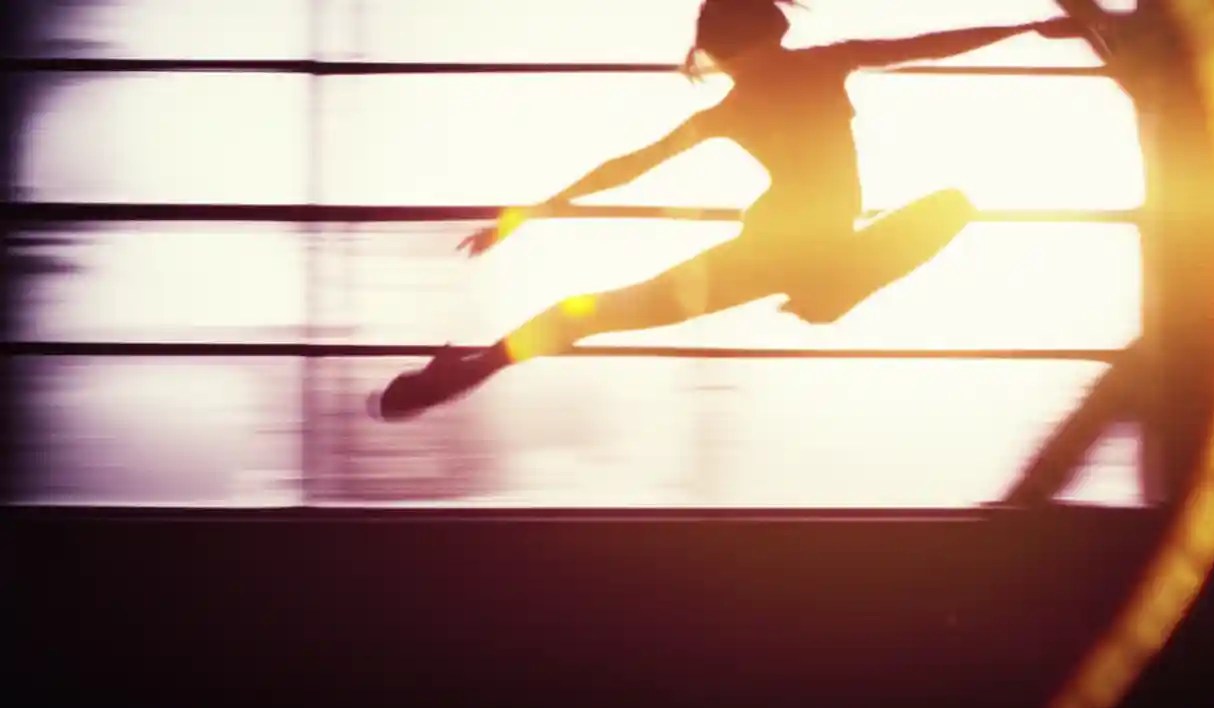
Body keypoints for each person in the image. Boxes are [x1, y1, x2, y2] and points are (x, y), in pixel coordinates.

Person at [369, 0, 1084, 421]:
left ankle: (468, 371)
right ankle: (834, 284)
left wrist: (527, 216)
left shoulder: (737, 106)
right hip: (798, 248)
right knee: (953, 207)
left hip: (767, 254)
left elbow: (630, 165)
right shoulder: (819, 65)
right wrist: (1027, 29)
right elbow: (925, 48)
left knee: (590, 313)